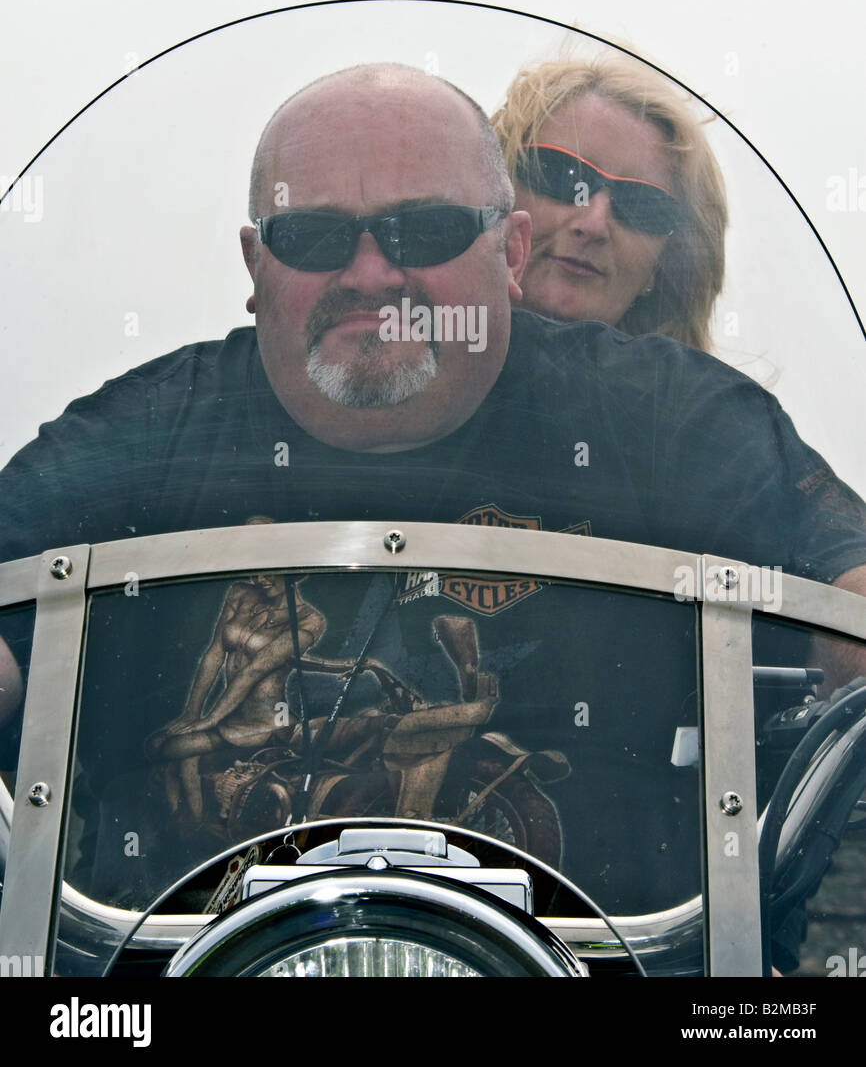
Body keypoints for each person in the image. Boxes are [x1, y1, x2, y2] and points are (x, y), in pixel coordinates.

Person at [1, 62, 864, 930]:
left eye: (426, 230)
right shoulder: (147, 431)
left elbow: (845, 587)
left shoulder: (669, 418)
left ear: (512, 252)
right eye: (314, 236)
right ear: (256, 264)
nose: (372, 274)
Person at [492, 54, 727, 350]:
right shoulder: (416, 373)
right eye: (562, 176)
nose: (593, 225)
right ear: (496, 191)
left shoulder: (703, 396)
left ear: (664, 263)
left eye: (641, 206)